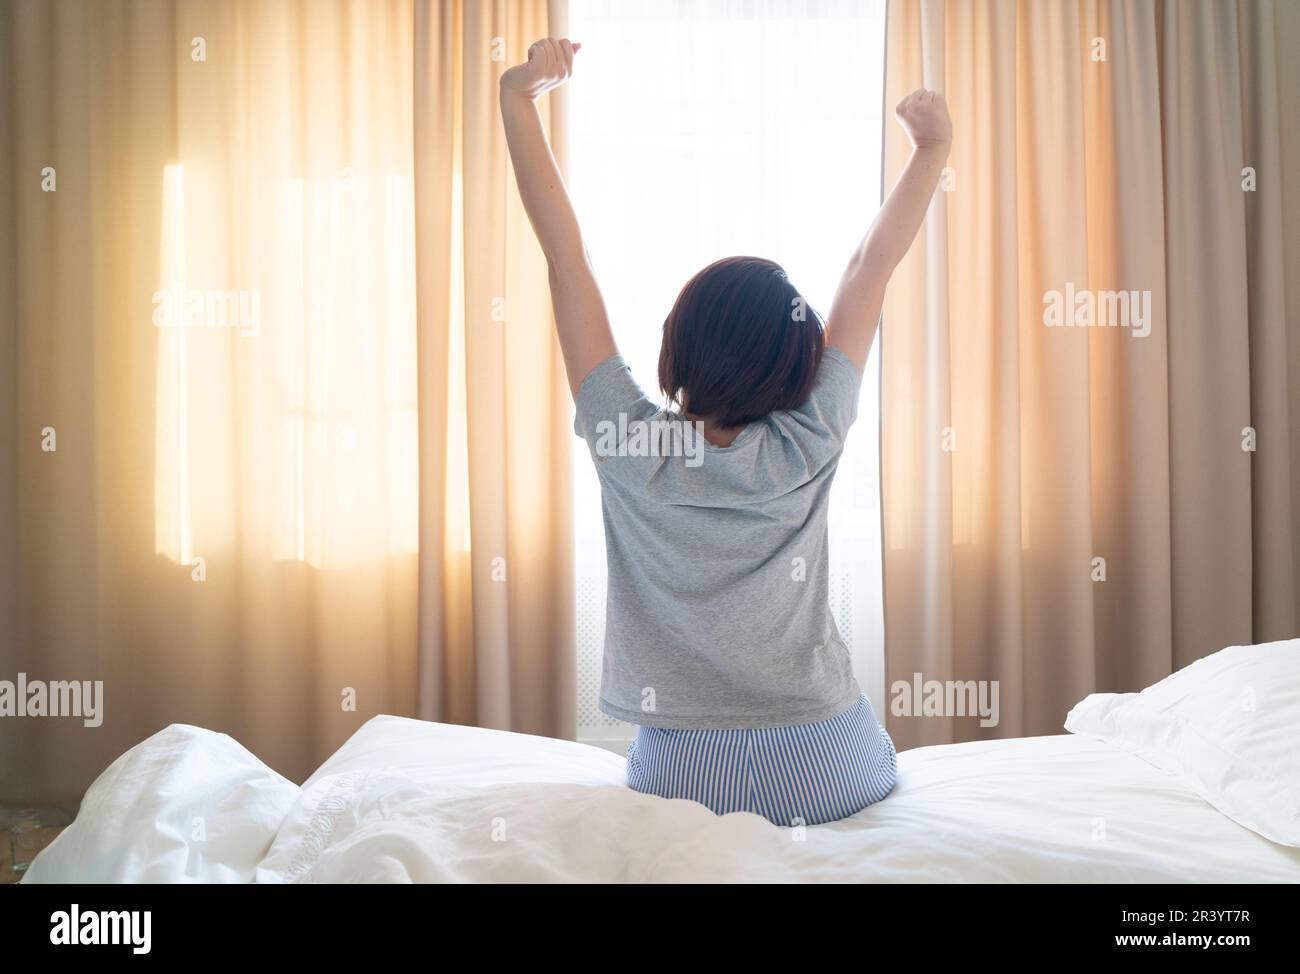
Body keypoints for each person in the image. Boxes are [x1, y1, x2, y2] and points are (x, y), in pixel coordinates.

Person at [500, 38, 952, 826]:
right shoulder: (809, 439)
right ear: (798, 362)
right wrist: (932, 150)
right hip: (828, 763)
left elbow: (564, 259)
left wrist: (517, 96)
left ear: (677, 341)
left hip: (684, 771)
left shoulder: (629, 443)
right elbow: (867, 269)